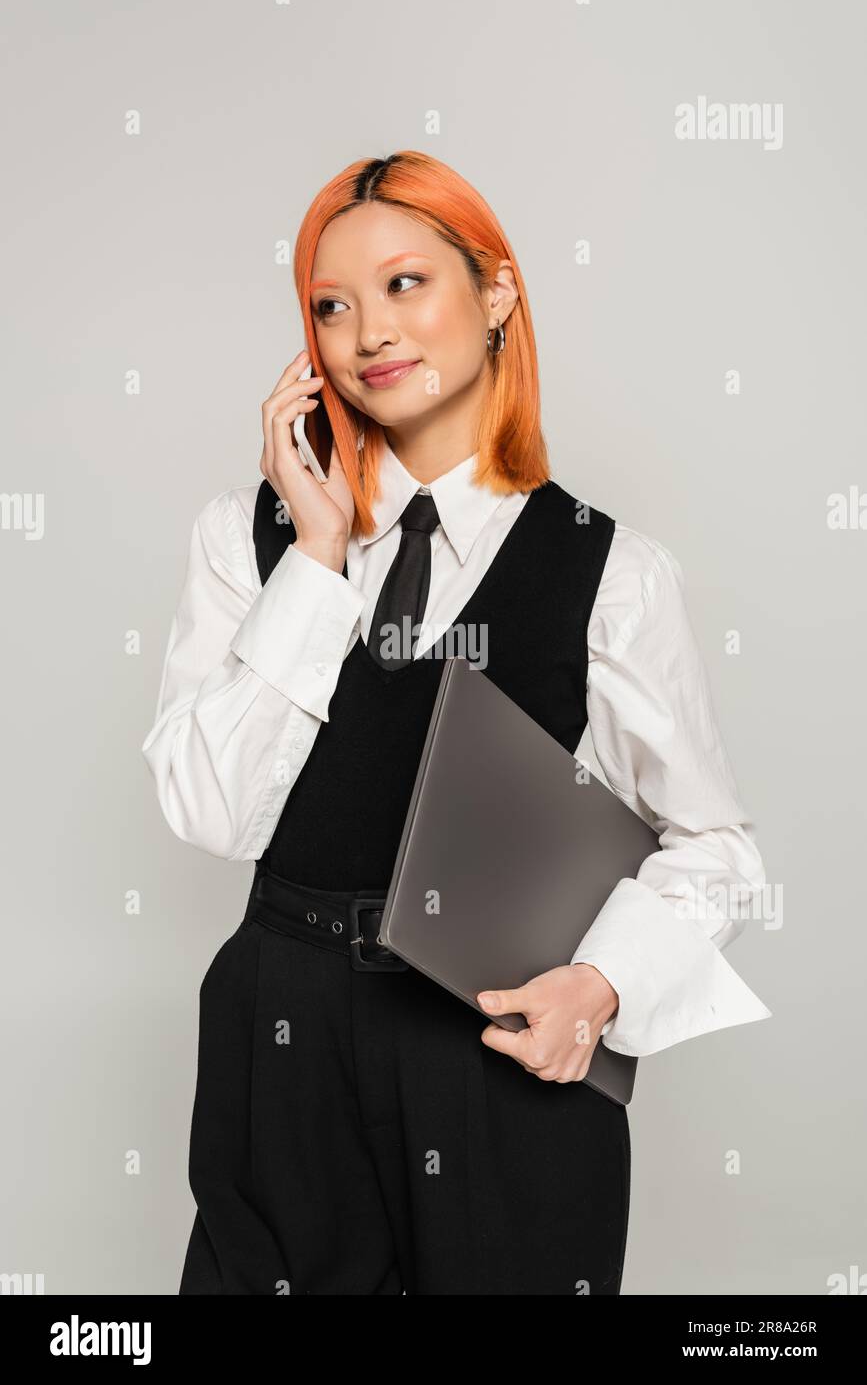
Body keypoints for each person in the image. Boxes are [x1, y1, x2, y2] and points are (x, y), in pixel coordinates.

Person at [141, 150, 771, 1296]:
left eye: (404, 284)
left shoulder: (611, 569)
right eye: (331, 306)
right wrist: (320, 558)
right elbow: (211, 813)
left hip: (491, 1058)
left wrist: (604, 985)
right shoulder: (248, 539)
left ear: (496, 294)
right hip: (282, 1051)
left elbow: (720, 851)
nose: (367, 332)